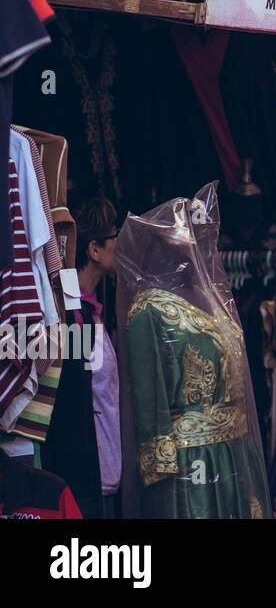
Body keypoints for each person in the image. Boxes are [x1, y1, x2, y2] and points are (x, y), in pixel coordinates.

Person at [72, 197, 122, 506]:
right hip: (92, 476)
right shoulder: (75, 316)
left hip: (107, 469)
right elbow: (76, 392)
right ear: (94, 249)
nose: (120, 245)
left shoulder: (91, 310)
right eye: (114, 238)